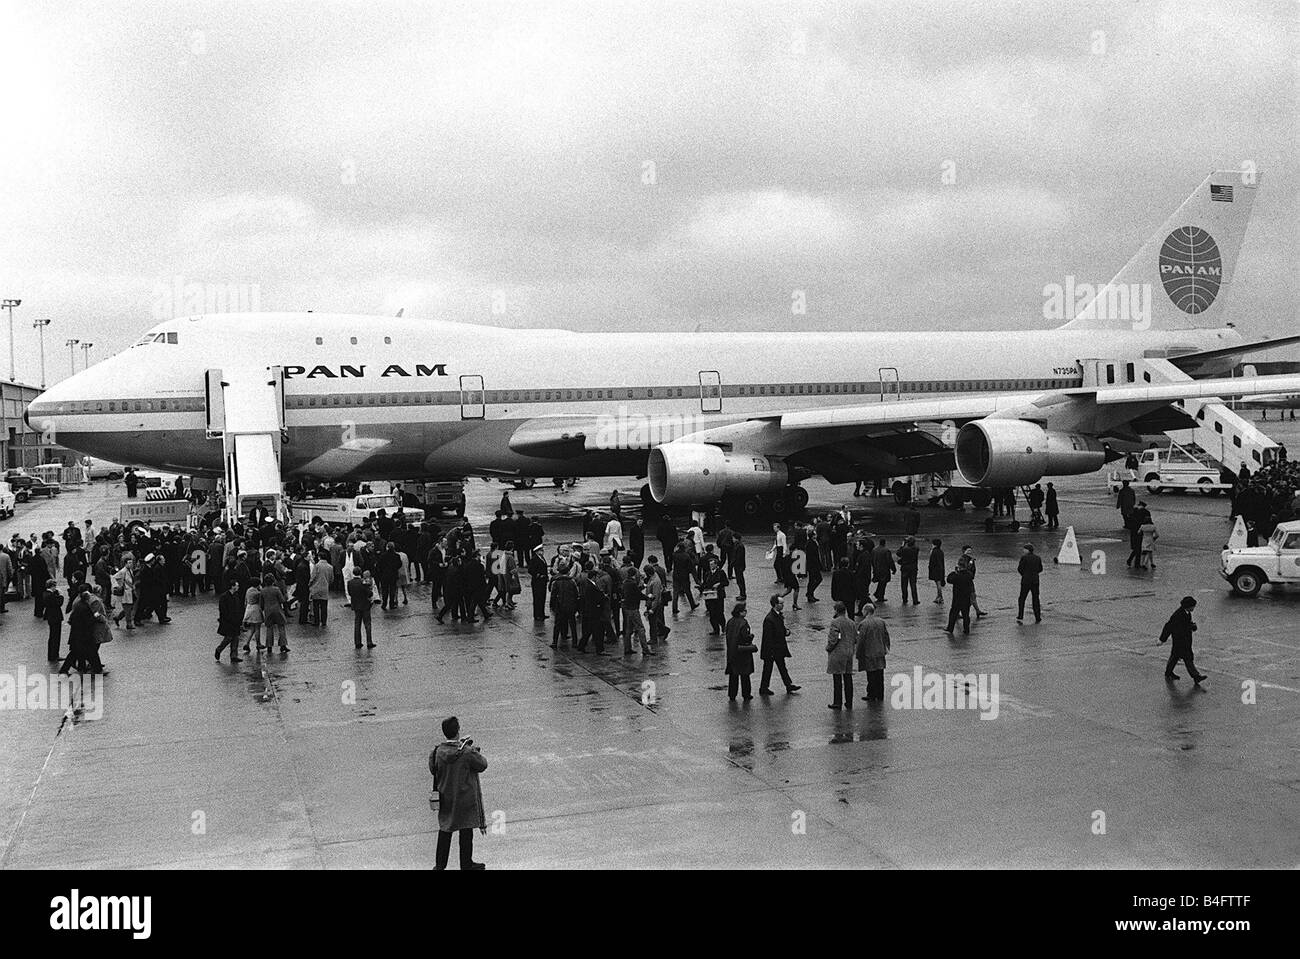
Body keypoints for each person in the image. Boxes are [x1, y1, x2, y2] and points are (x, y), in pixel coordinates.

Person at [429, 716, 488, 870]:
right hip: (464, 797)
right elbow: (482, 765)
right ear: (457, 731)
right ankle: (466, 863)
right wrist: (472, 750)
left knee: (445, 830)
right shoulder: (466, 752)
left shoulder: (437, 751)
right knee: (466, 830)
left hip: (446, 797)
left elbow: (432, 769)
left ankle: (440, 865)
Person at [758, 594, 800, 695]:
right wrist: (770, 650)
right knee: (768, 669)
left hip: (777, 648)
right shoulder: (770, 619)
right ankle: (764, 687)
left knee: (781, 667)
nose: (783, 605)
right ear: (775, 604)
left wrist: (786, 631)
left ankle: (788, 685)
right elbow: (768, 637)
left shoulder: (776, 616)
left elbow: (780, 629)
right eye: (781, 603)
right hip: (772, 649)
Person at [1159, 596, 1206, 685]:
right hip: (1180, 641)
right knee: (1187, 658)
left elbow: (1186, 624)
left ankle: (1168, 672)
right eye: (1192, 606)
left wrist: (1192, 626)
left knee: (1174, 657)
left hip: (1185, 640)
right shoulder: (1177, 615)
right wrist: (1162, 639)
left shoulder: (1187, 613)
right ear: (1187, 606)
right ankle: (1196, 676)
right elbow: (1169, 626)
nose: (1193, 608)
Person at [855, 603, 891, 701]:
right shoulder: (881, 621)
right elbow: (886, 636)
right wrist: (886, 647)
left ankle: (871, 694)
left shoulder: (863, 624)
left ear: (866, 611)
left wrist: (858, 653)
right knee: (880, 674)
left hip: (869, 652)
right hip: (880, 651)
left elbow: (860, 640)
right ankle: (880, 694)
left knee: (871, 674)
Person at [723, 602, 757, 701]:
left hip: (732, 651)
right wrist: (751, 636)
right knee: (745, 675)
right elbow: (745, 637)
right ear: (740, 612)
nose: (746, 612)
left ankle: (732, 694)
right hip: (742, 652)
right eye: (744, 610)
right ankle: (746, 694)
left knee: (733, 675)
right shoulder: (743, 623)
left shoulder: (730, 622)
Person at [825, 601, 855, 709]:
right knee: (848, 678)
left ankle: (837, 702)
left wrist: (828, 648)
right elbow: (855, 638)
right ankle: (849, 701)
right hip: (849, 652)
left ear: (836, 610)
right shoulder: (851, 622)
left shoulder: (835, 622)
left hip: (838, 653)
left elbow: (834, 638)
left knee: (837, 679)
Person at [548, 562, 578, 649]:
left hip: (560, 606)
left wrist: (552, 606)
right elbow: (576, 594)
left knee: (557, 625)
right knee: (572, 625)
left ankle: (554, 642)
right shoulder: (572, 581)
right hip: (570, 606)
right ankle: (574, 642)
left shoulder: (556, 582)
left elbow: (553, 595)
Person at [215, 579, 244, 663]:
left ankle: (234, 655)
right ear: (233, 586)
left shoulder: (235, 595)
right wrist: (229, 618)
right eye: (237, 585)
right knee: (229, 637)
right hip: (228, 621)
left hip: (235, 620)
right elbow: (223, 610)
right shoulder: (224, 597)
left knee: (236, 638)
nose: (238, 587)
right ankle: (219, 649)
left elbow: (239, 607)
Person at [700, 555, 730, 634]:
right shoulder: (707, 574)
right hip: (710, 596)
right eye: (710, 564)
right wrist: (701, 587)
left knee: (719, 612)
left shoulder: (721, 572)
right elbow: (705, 584)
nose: (711, 566)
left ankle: (723, 626)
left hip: (719, 596)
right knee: (712, 614)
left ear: (716, 565)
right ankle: (715, 629)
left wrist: (719, 584)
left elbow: (726, 583)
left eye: (712, 564)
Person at [261, 573, 290, 653]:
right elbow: (282, 600)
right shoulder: (276, 589)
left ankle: (269, 646)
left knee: (269, 628)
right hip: (277, 610)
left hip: (268, 611)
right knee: (281, 627)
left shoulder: (262, 591)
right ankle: (283, 645)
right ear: (273, 581)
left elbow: (261, 604)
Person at [945, 557, 974, 636]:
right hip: (966, 598)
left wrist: (954, 572)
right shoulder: (968, 575)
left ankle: (950, 628)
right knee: (966, 615)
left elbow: (949, 579)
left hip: (957, 598)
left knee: (953, 614)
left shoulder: (957, 576)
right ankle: (966, 629)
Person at [1015, 543, 1043, 624]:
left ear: (1027, 550)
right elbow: (1040, 569)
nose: (1023, 551)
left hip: (1026, 581)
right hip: (1035, 580)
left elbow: (1020, 568)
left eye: (1024, 549)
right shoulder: (1038, 558)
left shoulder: (1024, 558)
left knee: (1022, 598)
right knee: (1036, 599)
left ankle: (1020, 615)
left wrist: (1024, 574)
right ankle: (1037, 616)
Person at [348, 570, 376, 649]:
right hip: (365, 605)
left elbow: (350, 593)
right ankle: (369, 642)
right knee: (367, 624)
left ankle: (357, 642)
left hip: (356, 605)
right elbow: (369, 593)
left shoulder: (350, 582)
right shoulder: (363, 582)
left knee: (357, 624)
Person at [309, 551, 333, 627]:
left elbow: (313, 577)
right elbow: (331, 579)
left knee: (316, 606)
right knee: (324, 606)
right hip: (325, 588)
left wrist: (310, 585)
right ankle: (324, 622)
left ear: (319, 557)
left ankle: (316, 622)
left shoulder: (317, 566)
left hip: (316, 588)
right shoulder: (330, 567)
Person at [43, 583, 64, 663]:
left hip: (51, 617)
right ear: (52, 586)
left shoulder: (46, 594)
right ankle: (54, 655)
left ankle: (52, 655)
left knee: (52, 636)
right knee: (56, 637)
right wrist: (61, 595)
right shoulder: (50, 595)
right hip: (55, 617)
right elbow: (58, 603)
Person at [241, 577, 264, 652]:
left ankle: (247, 643)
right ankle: (258, 644)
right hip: (255, 609)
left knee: (252, 628)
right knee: (257, 628)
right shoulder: (258, 593)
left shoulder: (248, 590)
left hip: (248, 608)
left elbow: (245, 601)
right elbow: (261, 602)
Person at [896, 536, 919, 605]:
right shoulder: (916, 549)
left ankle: (905, 599)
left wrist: (902, 545)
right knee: (913, 584)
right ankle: (915, 600)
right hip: (913, 568)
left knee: (904, 585)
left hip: (905, 568)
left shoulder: (904, 549)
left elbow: (898, 553)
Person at [871, 538, 895, 603]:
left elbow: (872, 560)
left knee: (881, 582)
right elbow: (890, 561)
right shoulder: (886, 550)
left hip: (876, 569)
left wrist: (874, 567)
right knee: (883, 583)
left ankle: (878, 594)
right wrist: (893, 569)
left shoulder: (874, 550)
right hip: (884, 569)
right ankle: (880, 596)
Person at [928, 539, 945, 605]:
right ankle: (939, 596)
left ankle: (940, 597)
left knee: (938, 584)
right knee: (938, 583)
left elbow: (932, 561)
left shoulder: (934, 552)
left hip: (935, 569)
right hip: (940, 569)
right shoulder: (940, 551)